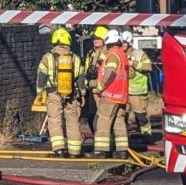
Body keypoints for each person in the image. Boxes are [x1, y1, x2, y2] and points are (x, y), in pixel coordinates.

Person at [36, 27, 84, 157]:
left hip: (53, 93)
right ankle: (75, 151)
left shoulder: (48, 57)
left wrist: (39, 93)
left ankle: (59, 150)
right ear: (68, 41)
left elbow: (41, 76)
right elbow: (81, 78)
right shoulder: (75, 58)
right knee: (73, 120)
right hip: (72, 94)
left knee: (55, 120)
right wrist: (83, 94)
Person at [93, 30, 131, 160]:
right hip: (121, 96)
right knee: (119, 123)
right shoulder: (122, 55)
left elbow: (110, 73)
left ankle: (101, 151)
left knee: (103, 121)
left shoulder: (113, 55)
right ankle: (122, 151)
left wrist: (100, 87)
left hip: (110, 94)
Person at [125, 31, 154, 144]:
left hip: (137, 91)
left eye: (125, 42)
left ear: (130, 43)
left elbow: (148, 66)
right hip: (123, 91)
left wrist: (134, 63)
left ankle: (146, 135)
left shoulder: (139, 54)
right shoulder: (119, 54)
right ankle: (124, 137)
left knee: (140, 116)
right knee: (122, 116)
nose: (123, 45)